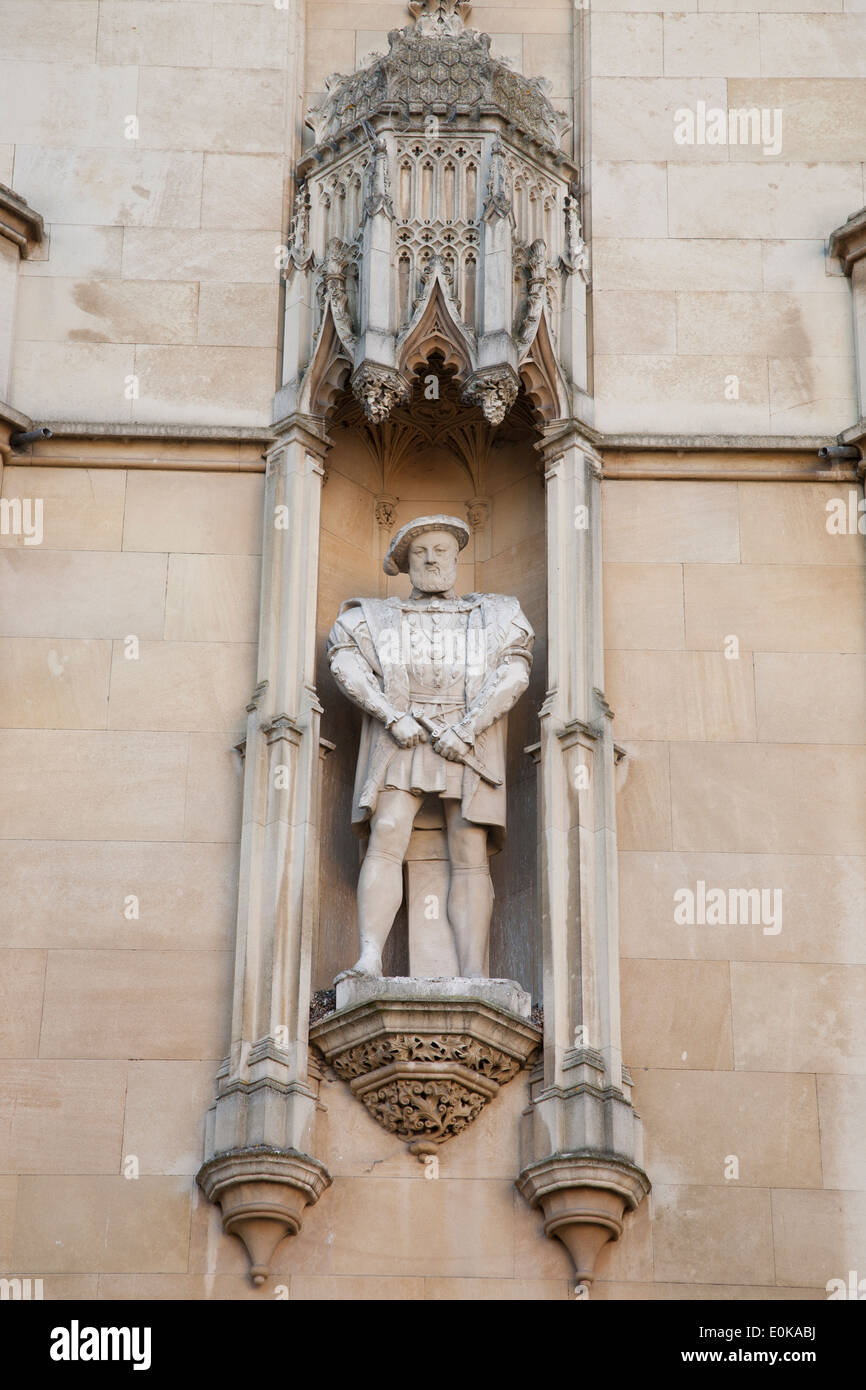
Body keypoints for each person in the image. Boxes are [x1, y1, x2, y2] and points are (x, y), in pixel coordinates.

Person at [327, 514, 533, 979]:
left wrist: (468, 728)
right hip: (404, 736)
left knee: (469, 845)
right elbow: (345, 664)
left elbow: (515, 672)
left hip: (469, 742)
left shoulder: (497, 614)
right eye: (420, 552)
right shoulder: (371, 617)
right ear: (405, 564)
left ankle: (473, 974)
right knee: (387, 832)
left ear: (457, 557)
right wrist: (391, 716)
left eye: (441, 550)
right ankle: (369, 958)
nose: (432, 558)